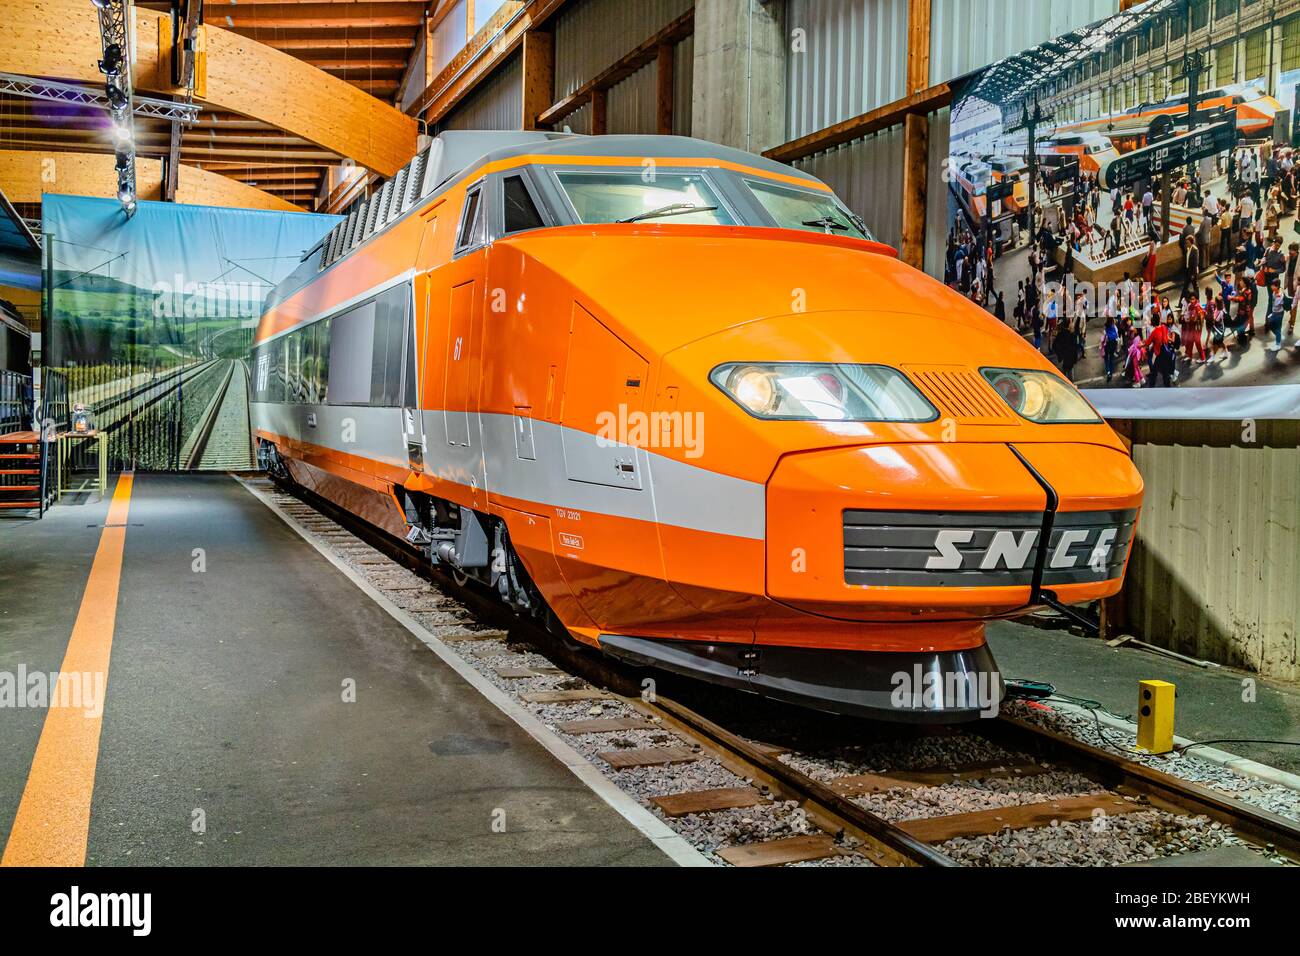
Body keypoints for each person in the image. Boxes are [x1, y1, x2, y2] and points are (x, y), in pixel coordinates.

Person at [1101, 316, 1120, 383]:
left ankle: (1108, 372)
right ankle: (1111, 373)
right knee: (1111, 359)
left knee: (1106, 359)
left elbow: (1103, 340)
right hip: (1113, 345)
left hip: (1107, 346)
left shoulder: (1105, 329)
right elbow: (1117, 337)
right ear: (1112, 321)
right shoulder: (1115, 328)